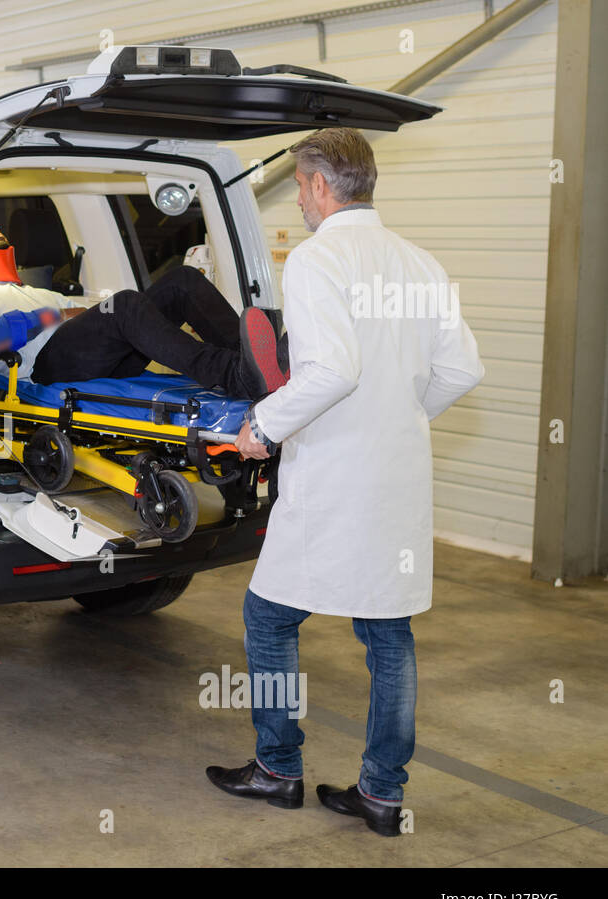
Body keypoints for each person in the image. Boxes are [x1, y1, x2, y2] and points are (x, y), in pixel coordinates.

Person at [206, 128, 485, 836]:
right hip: (396, 479)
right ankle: (382, 794)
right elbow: (461, 369)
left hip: (331, 476)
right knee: (388, 633)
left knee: (269, 616)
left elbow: (332, 371)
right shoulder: (420, 263)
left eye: (300, 185)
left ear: (322, 187)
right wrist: (396, 419)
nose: (298, 198)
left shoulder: (315, 259)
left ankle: (277, 768)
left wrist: (262, 429)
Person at [0, 224, 286, 400]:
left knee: (183, 279)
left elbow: (75, 314)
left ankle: (253, 365)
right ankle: (232, 374)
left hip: (90, 350)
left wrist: (73, 313)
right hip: (47, 365)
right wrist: (22, 327)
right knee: (125, 303)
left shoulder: (37, 293)